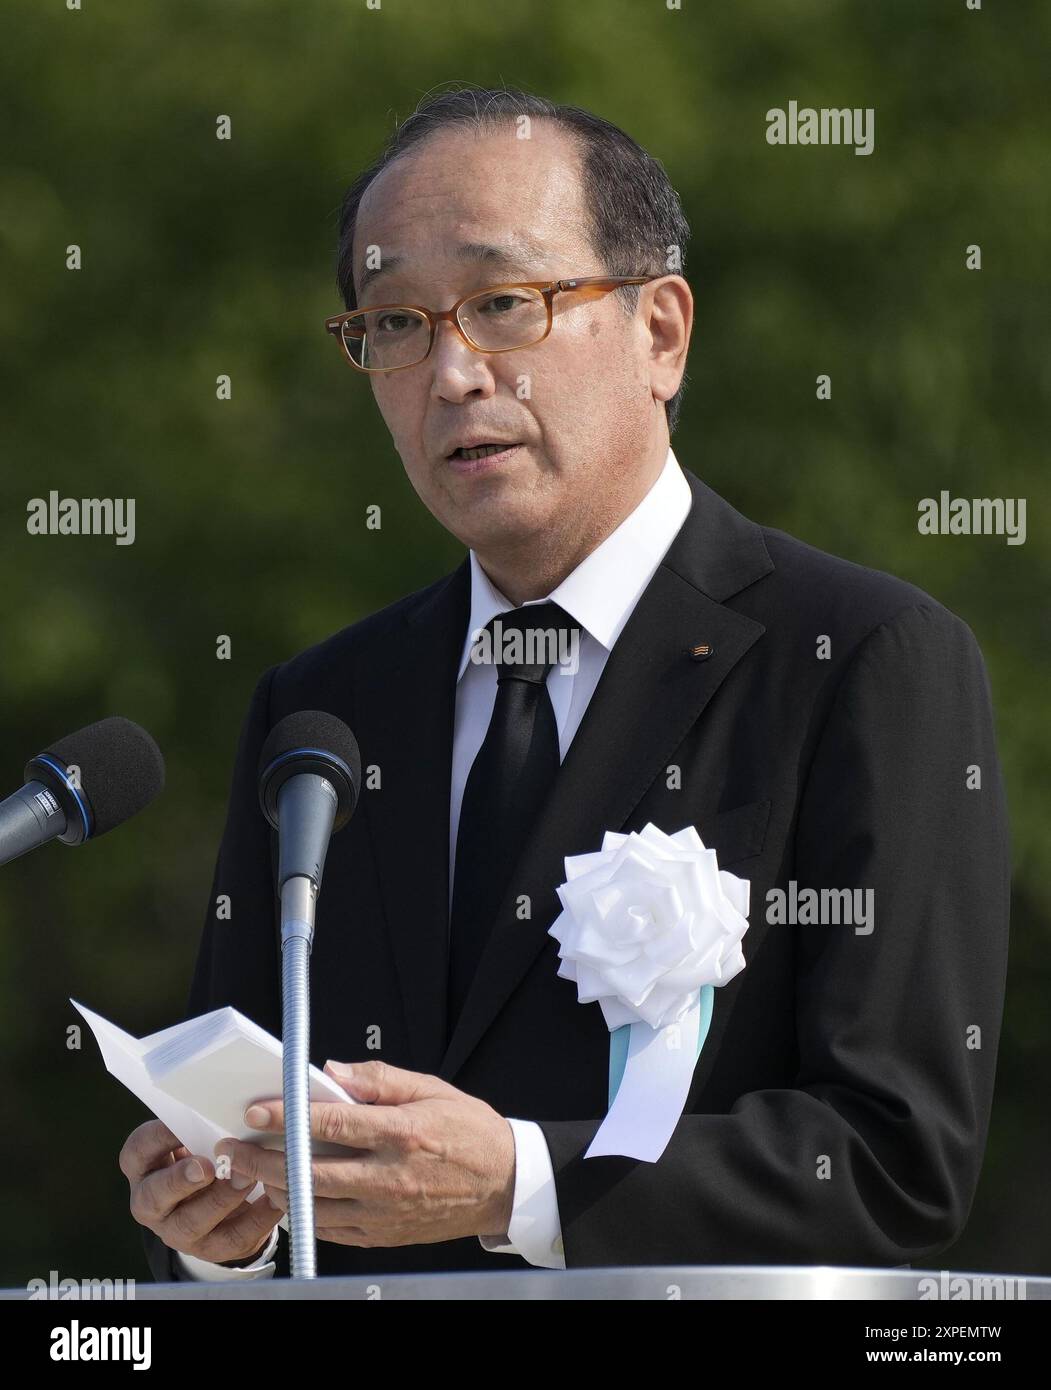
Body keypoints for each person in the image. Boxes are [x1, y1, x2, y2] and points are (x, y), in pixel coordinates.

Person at [120, 85, 1010, 1282]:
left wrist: (517, 1183)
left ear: (661, 333)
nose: (449, 374)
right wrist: (227, 1226)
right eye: (392, 324)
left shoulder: (858, 659)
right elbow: (262, 1127)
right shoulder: (322, 709)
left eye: (502, 304)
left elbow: (892, 1161)